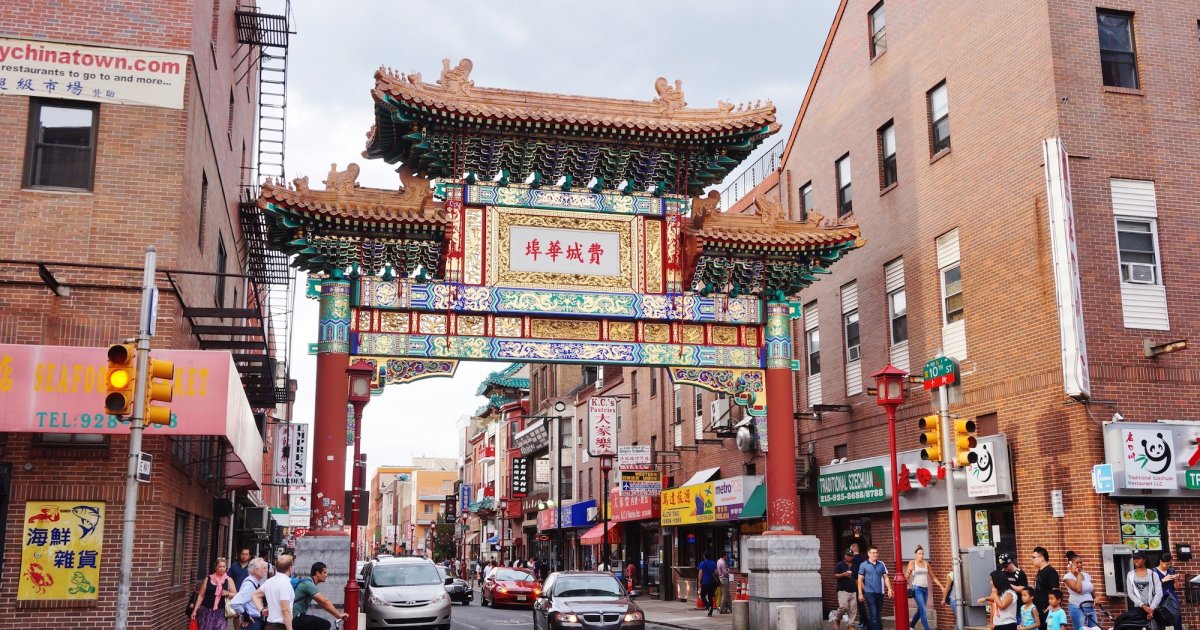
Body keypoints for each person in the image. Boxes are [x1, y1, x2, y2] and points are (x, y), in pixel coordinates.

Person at [292, 562, 349, 630]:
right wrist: (338, 615)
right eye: (324, 572)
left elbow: (323, 603)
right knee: (325, 624)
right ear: (318, 573)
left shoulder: (308, 582)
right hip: (295, 617)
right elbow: (324, 602)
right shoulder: (308, 584)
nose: (326, 575)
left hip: (297, 617)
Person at [905, 545, 947, 630]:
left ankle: (911, 626)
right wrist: (909, 571)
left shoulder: (926, 563)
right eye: (919, 554)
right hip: (917, 589)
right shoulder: (912, 563)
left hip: (925, 589)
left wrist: (941, 586)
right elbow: (905, 577)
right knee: (923, 610)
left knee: (920, 610)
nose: (921, 555)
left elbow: (933, 577)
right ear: (916, 554)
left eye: (922, 554)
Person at [190, 556, 238, 630]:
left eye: (224, 567)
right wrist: (195, 610)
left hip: (221, 612)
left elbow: (235, 594)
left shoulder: (228, 580)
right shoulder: (208, 579)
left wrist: (228, 594)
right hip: (206, 611)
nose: (222, 569)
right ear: (215, 567)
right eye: (220, 567)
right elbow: (201, 596)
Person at [253, 554, 296, 630]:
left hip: (269, 625)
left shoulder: (269, 581)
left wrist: (262, 609)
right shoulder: (285, 584)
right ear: (290, 568)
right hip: (281, 626)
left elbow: (255, 595)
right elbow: (285, 610)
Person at [857, 546, 891, 630]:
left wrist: (889, 589)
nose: (875, 554)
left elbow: (886, 577)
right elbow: (860, 579)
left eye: (876, 553)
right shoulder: (863, 565)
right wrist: (860, 593)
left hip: (879, 593)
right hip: (869, 593)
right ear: (868, 554)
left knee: (877, 614)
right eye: (873, 553)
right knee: (874, 614)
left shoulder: (881, 565)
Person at [230, 557, 269, 630]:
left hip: (256, 620)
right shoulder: (249, 584)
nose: (266, 570)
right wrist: (246, 616)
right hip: (253, 622)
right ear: (256, 570)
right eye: (264, 568)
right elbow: (235, 603)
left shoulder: (255, 582)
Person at [1062, 551, 1098, 630]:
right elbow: (1078, 589)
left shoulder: (1086, 575)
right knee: (1080, 628)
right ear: (1071, 563)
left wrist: (1095, 598)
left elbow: (1091, 589)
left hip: (1090, 607)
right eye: (1077, 563)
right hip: (1077, 607)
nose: (1079, 564)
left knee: (1095, 628)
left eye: (1081, 562)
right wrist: (1078, 575)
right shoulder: (1067, 577)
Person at [1125, 550, 1162, 625]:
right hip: (1138, 608)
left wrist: (1151, 609)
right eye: (1134, 558)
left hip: (1152, 607)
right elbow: (1130, 593)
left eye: (1138, 558)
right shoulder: (1130, 575)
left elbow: (1159, 593)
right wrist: (1143, 606)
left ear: (1144, 560)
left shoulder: (1153, 574)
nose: (1136, 561)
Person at [1030, 547, 1059, 630]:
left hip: (1046, 609)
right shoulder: (1040, 571)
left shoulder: (1050, 571)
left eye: (1034, 557)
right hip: (1038, 609)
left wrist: (1051, 606)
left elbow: (1055, 591)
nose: (1032, 560)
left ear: (1041, 558)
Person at [833, 549, 859, 630]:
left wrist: (859, 590)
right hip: (842, 590)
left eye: (851, 556)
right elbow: (835, 575)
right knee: (843, 607)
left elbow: (856, 579)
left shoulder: (855, 566)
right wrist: (843, 574)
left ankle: (851, 625)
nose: (849, 557)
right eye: (848, 555)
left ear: (853, 557)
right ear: (845, 556)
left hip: (853, 590)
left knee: (853, 609)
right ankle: (837, 619)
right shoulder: (840, 565)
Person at [1153, 552, 1179, 629]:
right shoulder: (1153, 572)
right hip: (1161, 601)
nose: (1168, 566)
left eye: (1170, 564)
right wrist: (1163, 580)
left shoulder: (1171, 570)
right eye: (1166, 564)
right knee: (1162, 622)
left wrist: (1176, 580)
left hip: (1172, 600)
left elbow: (1176, 588)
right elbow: (1152, 588)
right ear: (1161, 561)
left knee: (1175, 621)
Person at [850, 542, 868, 629]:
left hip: (858, 584)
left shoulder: (853, 560)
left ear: (853, 549)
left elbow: (856, 575)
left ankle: (864, 622)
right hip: (866, 582)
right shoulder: (864, 558)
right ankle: (864, 622)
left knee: (860, 604)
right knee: (864, 604)